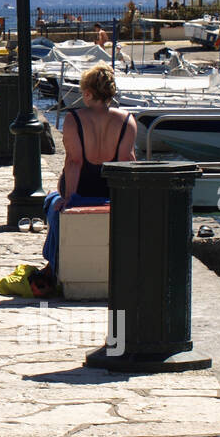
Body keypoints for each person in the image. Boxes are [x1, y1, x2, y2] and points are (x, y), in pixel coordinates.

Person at [41, 63, 137, 277]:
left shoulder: (75, 119)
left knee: (52, 201)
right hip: (110, 193)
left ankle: (55, 265)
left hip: (82, 190)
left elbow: (74, 162)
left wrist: (69, 198)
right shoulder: (127, 120)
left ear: (87, 92)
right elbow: (126, 161)